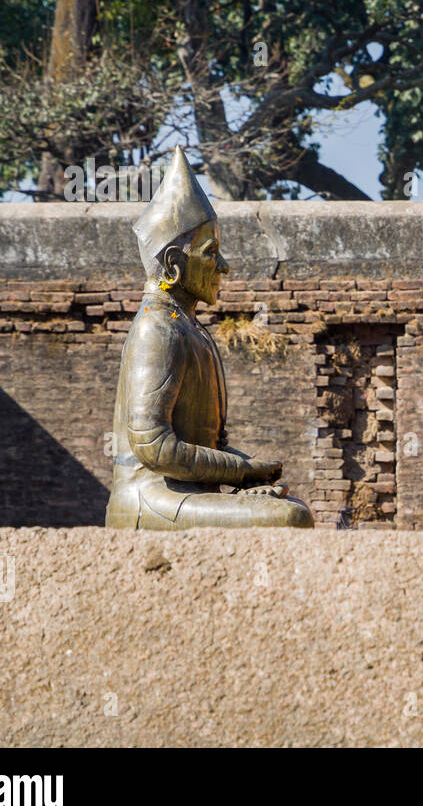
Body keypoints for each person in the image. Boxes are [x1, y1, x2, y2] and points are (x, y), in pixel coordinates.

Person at [105, 146, 314, 529]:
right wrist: (239, 471)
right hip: (151, 497)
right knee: (289, 517)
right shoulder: (157, 328)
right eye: (211, 253)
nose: (224, 266)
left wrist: (250, 473)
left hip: (186, 492)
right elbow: (153, 446)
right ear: (173, 263)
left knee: (289, 504)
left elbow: (206, 445)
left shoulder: (185, 326)